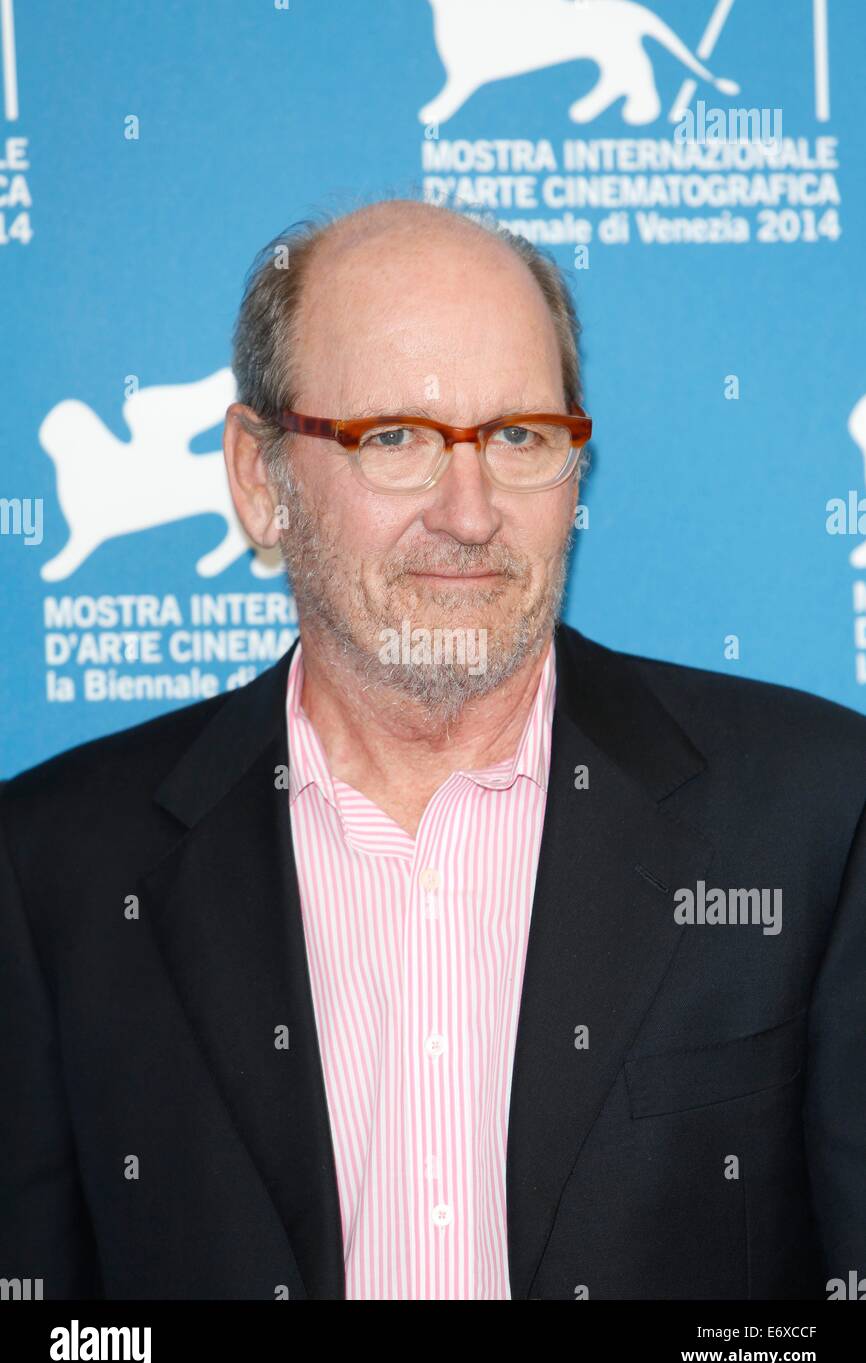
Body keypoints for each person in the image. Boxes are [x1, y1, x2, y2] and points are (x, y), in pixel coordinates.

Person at [1, 199, 864, 1301]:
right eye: (394, 439)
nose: (468, 511)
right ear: (261, 479)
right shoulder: (55, 872)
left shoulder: (812, 820)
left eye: (518, 437)